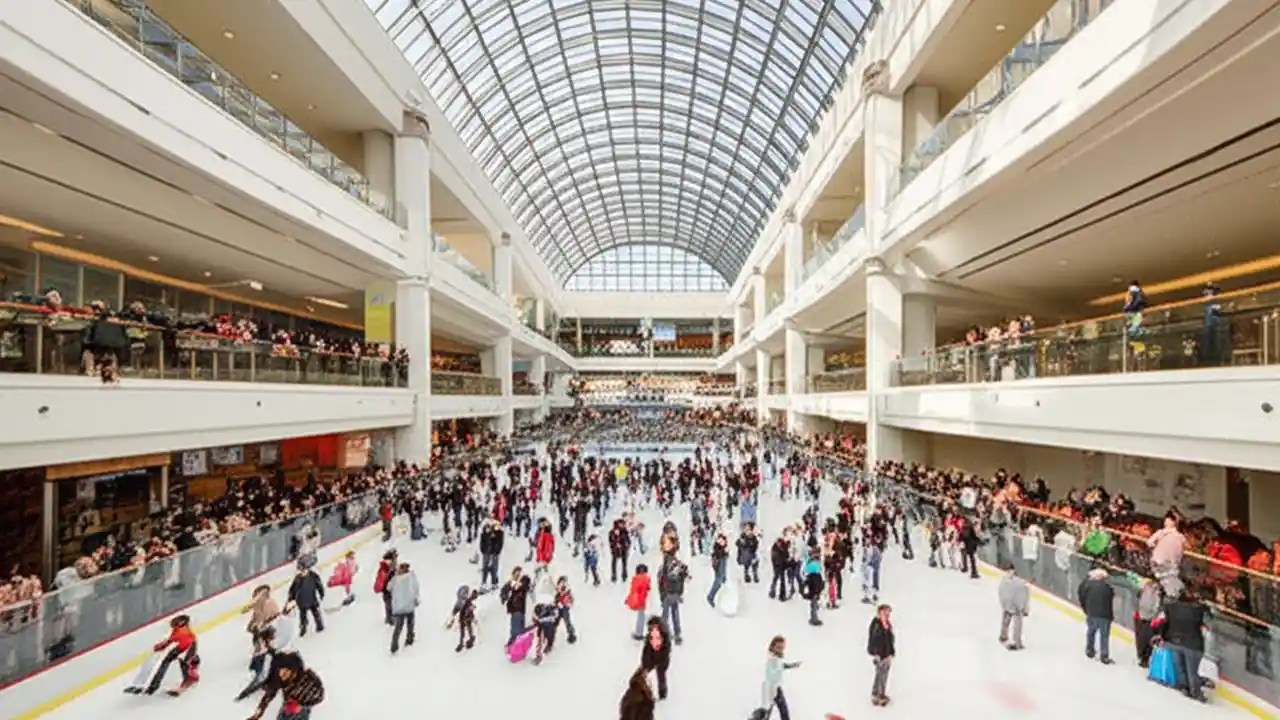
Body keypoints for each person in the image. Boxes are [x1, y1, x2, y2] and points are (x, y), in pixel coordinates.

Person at [1157, 590, 1209, 702]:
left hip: (1173, 641)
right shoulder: (1198, 610)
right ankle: (1195, 692)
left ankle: (1184, 686)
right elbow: (1207, 621)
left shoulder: (1170, 607)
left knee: (1180, 667)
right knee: (1192, 670)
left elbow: (1163, 622)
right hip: (1192, 644)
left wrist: (1162, 638)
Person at [247, 650, 325, 720]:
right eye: (281, 672)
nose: (281, 674)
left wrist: (301, 705)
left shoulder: (307, 678)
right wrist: (258, 714)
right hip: (291, 704)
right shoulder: (278, 675)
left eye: (284, 673)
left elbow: (319, 696)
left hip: (302, 703)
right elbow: (268, 696)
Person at [1077, 567, 1115, 664]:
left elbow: (1081, 596)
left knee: (1091, 631)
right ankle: (1104, 656)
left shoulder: (1086, 585)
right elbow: (1111, 597)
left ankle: (1090, 649)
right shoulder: (1108, 587)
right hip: (1105, 615)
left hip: (1092, 613)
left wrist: (1085, 609)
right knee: (1104, 636)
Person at [657, 534, 688, 644]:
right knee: (674, 613)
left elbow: (672, 575)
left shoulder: (671, 559)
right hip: (673, 591)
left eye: (668, 543)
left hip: (670, 591)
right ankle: (677, 634)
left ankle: (665, 633)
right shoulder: (669, 558)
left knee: (666, 614)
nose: (665, 545)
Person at [759, 635, 800, 720]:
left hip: (775, 687)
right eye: (778, 647)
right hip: (771, 688)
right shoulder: (772, 658)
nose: (780, 649)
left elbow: (781, 666)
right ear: (773, 646)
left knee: (778, 711)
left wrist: (792, 665)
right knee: (779, 711)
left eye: (782, 647)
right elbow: (777, 667)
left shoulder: (776, 657)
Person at [387, 562, 420, 654]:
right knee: (410, 624)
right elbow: (416, 588)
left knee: (398, 627)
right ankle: (409, 639)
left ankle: (394, 645)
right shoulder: (412, 577)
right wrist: (416, 599)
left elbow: (388, 588)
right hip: (409, 605)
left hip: (399, 607)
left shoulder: (395, 579)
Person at [867, 604, 894, 707]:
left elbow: (890, 640)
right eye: (884, 613)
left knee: (884, 675)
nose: (887, 615)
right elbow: (874, 641)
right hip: (880, 655)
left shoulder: (886, 624)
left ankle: (881, 693)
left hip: (885, 654)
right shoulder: (876, 625)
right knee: (879, 675)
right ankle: (876, 694)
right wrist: (876, 654)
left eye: (888, 613)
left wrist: (890, 653)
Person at [997, 562, 1029, 650]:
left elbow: (1024, 595)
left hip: (1014, 604)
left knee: (1012, 620)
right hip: (1012, 604)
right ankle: (1014, 640)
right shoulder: (1014, 582)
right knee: (1011, 621)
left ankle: (1011, 638)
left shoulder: (1017, 582)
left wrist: (1024, 608)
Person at [286, 566, 325, 637]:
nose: (303, 572)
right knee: (303, 616)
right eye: (301, 570)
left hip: (312, 599)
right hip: (302, 601)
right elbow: (292, 590)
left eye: (304, 570)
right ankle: (303, 628)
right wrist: (291, 599)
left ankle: (319, 625)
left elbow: (319, 585)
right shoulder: (297, 579)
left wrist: (321, 593)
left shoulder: (313, 576)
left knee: (315, 612)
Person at [640, 615, 671, 701]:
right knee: (644, 674)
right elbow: (646, 650)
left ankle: (662, 693)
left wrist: (660, 661)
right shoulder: (649, 637)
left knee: (661, 675)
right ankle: (644, 691)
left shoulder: (664, 637)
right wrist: (646, 663)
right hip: (652, 658)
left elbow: (666, 650)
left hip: (662, 660)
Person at [501, 566, 532, 647]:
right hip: (515, 609)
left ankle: (514, 644)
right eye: (515, 574)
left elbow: (525, 584)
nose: (517, 576)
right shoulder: (510, 583)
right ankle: (513, 644)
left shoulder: (523, 581)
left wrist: (516, 583)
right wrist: (504, 597)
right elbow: (503, 592)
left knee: (518, 629)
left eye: (519, 574)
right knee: (517, 629)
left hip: (520, 609)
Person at [1134, 579, 1162, 668]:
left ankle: (1144, 657)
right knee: (1143, 639)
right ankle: (1143, 657)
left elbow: (1155, 607)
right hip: (1144, 618)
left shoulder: (1156, 594)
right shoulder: (1143, 592)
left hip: (1149, 620)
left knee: (1146, 639)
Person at [446, 585, 481, 652]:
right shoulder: (461, 602)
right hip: (463, 617)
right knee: (463, 631)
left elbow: (472, 605)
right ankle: (462, 643)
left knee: (468, 628)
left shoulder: (466, 601)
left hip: (467, 617)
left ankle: (470, 639)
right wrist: (451, 620)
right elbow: (455, 610)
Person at [626, 563, 651, 640]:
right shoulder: (646, 578)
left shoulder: (635, 578)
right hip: (642, 600)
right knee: (641, 616)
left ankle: (638, 633)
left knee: (640, 617)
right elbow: (647, 588)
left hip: (638, 600)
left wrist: (629, 599)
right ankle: (639, 632)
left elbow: (633, 591)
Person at [373, 549, 397, 625]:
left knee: (390, 605)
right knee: (391, 605)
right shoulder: (386, 569)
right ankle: (391, 619)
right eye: (395, 558)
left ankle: (389, 618)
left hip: (390, 591)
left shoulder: (390, 568)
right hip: (388, 591)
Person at [479, 518, 504, 589]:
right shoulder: (485, 530)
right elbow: (482, 540)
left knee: (494, 567)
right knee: (485, 567)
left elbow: (500, 542)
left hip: (494, 552)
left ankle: (494, 582)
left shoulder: (499, 532)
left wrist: (497, 550)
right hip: (486, 551)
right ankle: (484, 582)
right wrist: (483, 550)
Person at [707, 532, 729, 607]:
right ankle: (711, 596)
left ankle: (720, 598)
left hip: (722, 561)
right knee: (718, 581)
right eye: (720, 541)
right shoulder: (716, 549)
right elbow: (715, 556)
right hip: (719, 562)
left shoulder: (723, 548)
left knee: (723, 579)